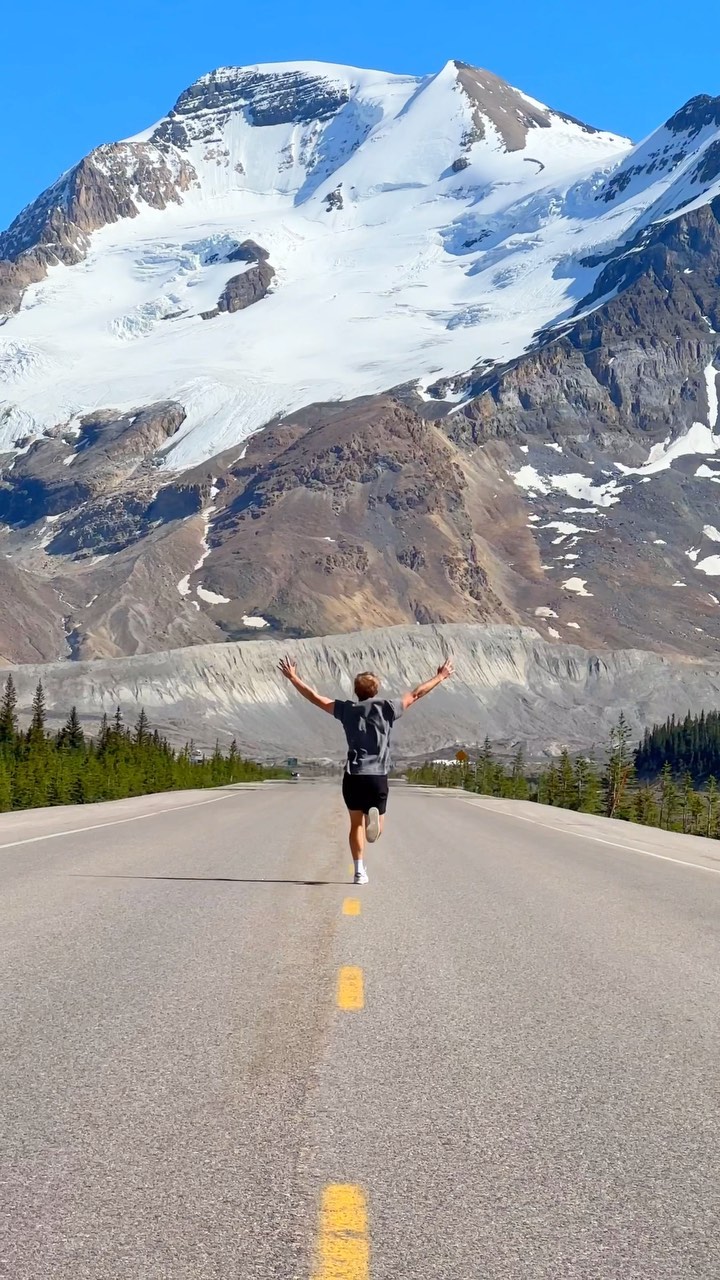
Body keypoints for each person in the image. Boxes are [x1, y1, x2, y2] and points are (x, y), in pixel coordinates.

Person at [277, 655, 455, 884]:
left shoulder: (346, 710)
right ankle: (377, 824)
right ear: (376, 690)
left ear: (355, 691)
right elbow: (416, 693)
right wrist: (440, 676)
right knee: (377, 823)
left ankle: (359, 871)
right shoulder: (388, 708)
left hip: (354, 775)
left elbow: (315, 698)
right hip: (377, 775)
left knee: (355, 825)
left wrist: (293, 677)